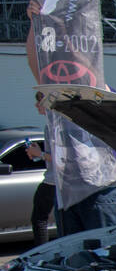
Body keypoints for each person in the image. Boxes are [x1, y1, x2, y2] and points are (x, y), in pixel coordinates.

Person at [25, 0, 116, 236]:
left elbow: (85, 67)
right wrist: (35, 25)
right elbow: (35, 64)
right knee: (74, 264)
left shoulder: (99, 95)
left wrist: (60, 30)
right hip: (67, 194)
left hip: (99, 191)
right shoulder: (58, 102)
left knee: (107, 260)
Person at [25, 91, 56, 247]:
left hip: (55, 182)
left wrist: (40, 153)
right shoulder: (50, 125)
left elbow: (62, 157)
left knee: (39, 219)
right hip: (55, 181)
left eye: (39, 102)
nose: (36, 105)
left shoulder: (54, 125)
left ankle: (40, 251)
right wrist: (37, 154)